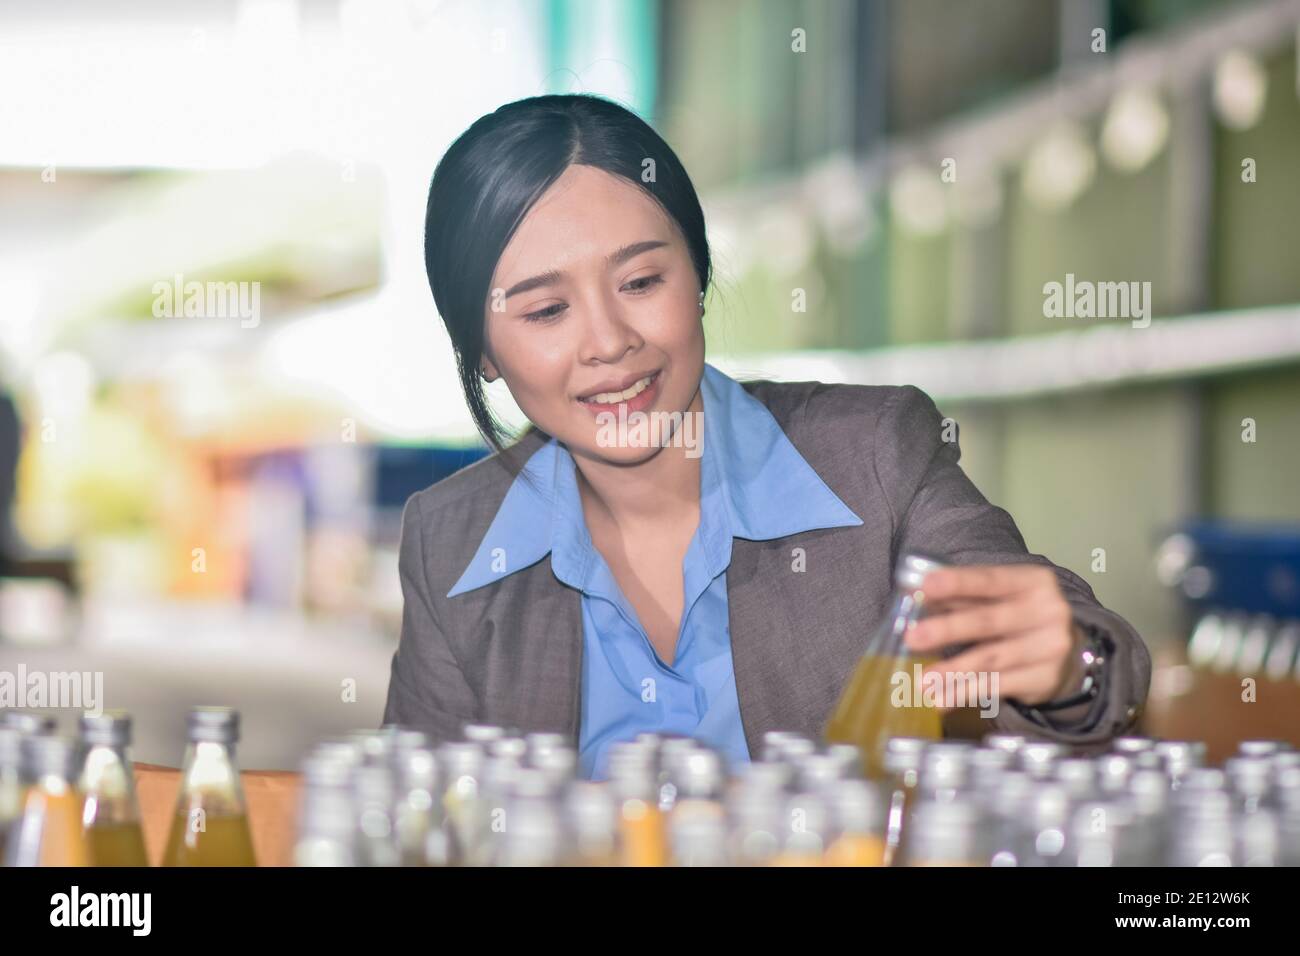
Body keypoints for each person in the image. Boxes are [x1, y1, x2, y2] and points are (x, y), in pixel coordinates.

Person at [383, 93, 1151, 779]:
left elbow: (1088, 660)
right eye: (547, 311)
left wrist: (1069, 667)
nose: (610, 342)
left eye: (642, 282)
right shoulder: (450, 542)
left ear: (700, 275)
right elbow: (423, 817)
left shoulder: (870, 456)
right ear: (481, 350)